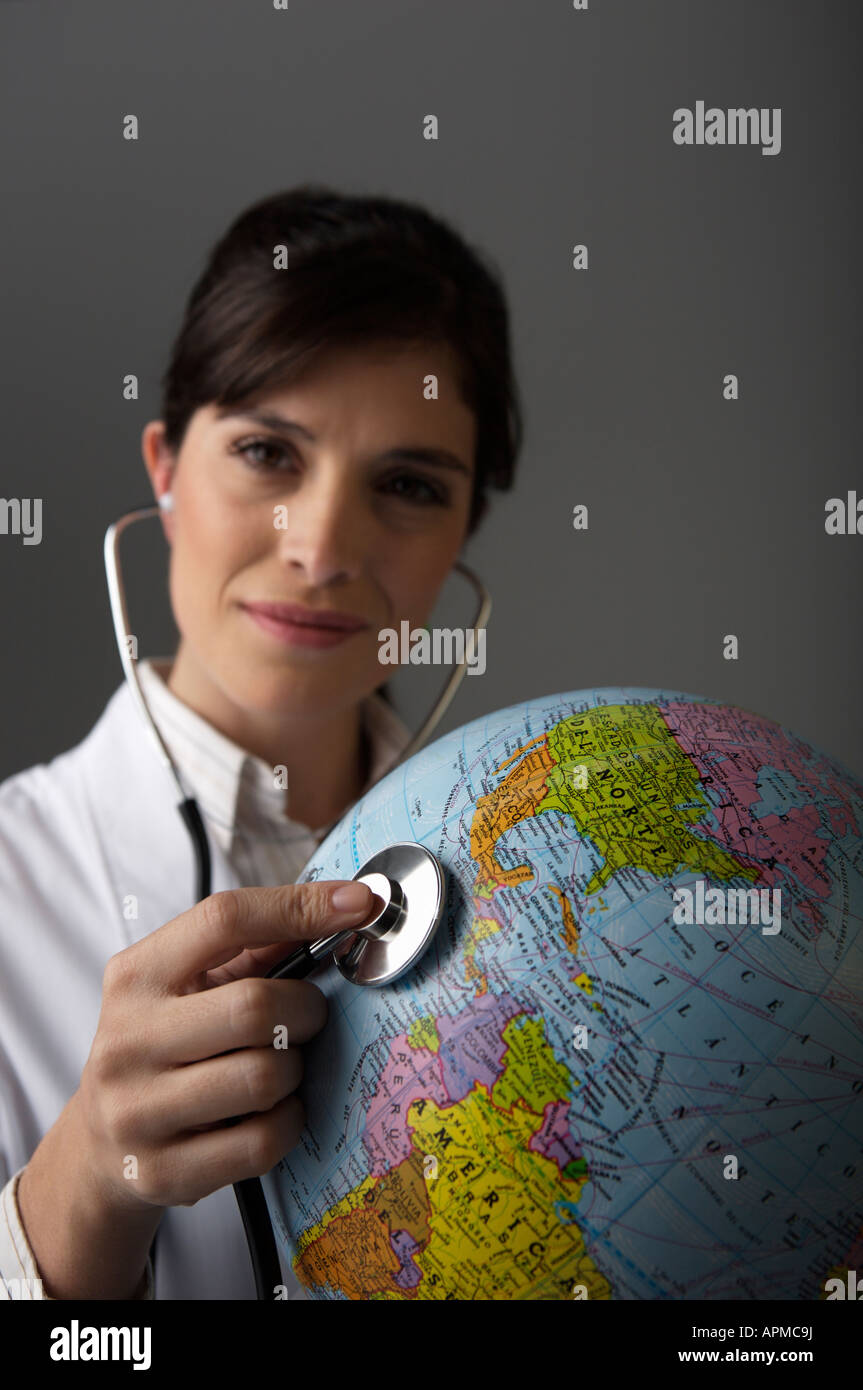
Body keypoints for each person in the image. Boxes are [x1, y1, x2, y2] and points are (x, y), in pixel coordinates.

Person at [0, 185, 522, 1300]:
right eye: (267, 454)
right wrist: (82, 1189)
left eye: (407, 485)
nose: (322, 546)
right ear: (165, 469)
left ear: (460, 536)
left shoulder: (550, 885)